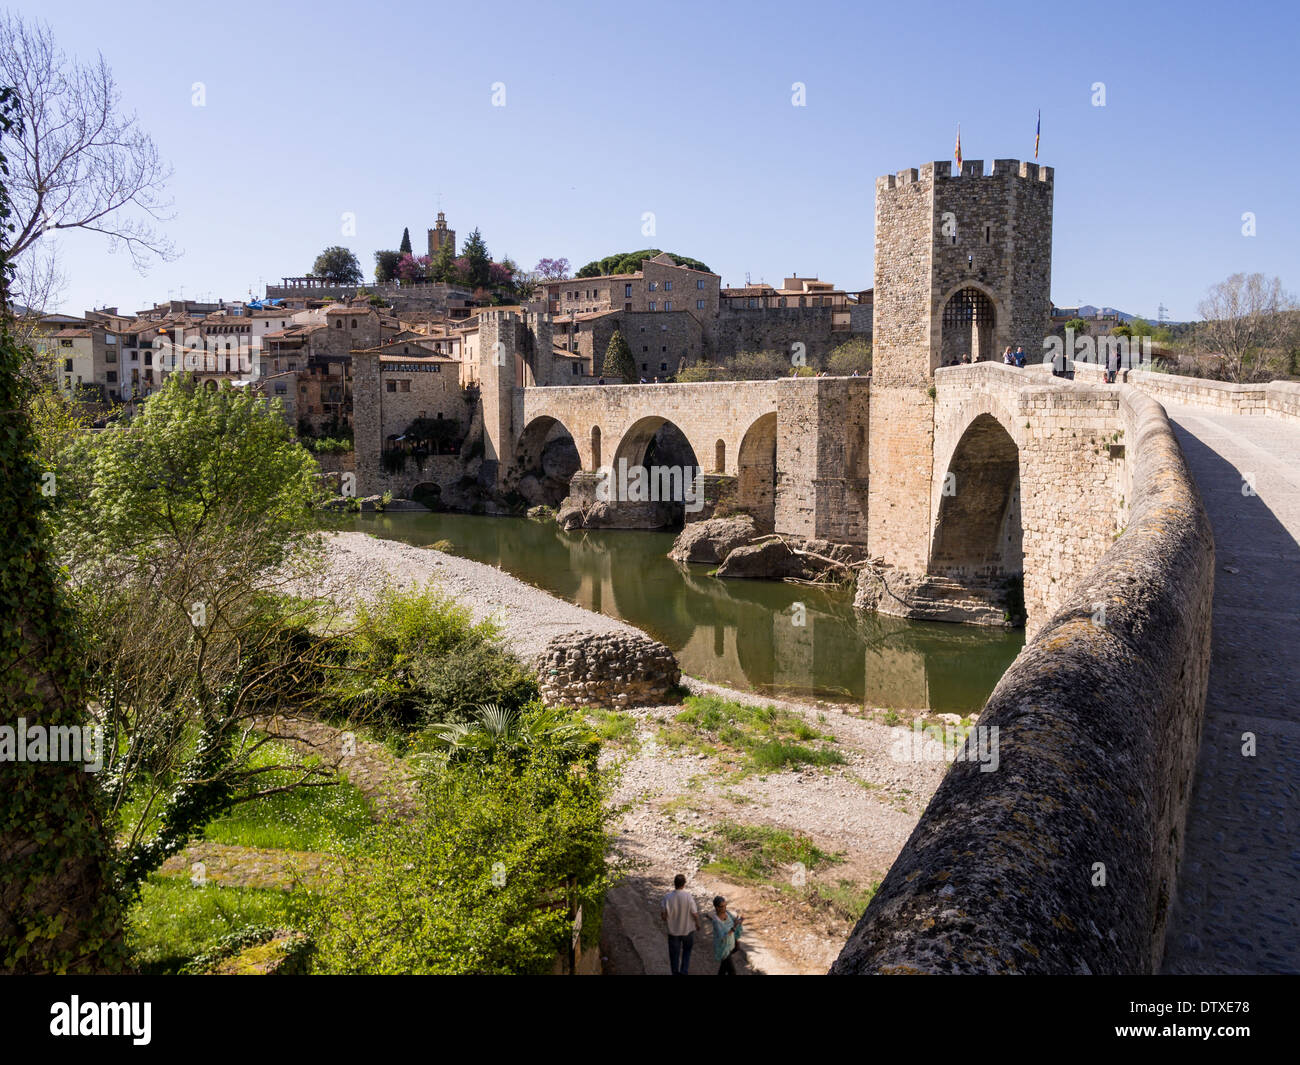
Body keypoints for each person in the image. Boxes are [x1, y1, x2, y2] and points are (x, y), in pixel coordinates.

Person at [660, 873, 702, 975]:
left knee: (674, 956)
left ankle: (675, 973)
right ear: (684, 884)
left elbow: (664, 916)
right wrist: (697, 924)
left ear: (674, 883)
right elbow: (695, 914)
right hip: (687, 931)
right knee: (686, 953)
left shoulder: (667, 897)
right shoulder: (688, 897)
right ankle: (684, 972)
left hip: (673, 932)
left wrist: (668, 919)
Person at [710, 895, 744, 975]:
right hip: (723, 949)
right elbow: (723, 937)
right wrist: (734, 926)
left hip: (730, 946)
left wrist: (739, 921)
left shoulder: (727, 913)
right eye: (722, 906)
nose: (724, 908)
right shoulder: (716, 921)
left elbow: (734, 921)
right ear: (716, 907)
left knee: (723, 968)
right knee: (732, 972)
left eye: (725, 905)